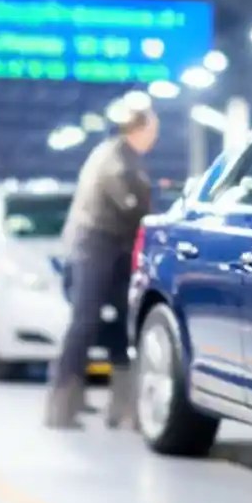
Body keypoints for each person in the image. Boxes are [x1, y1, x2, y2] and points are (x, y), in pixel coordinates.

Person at [44, 107, 158, 429]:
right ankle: (62, 405)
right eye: (153, 129)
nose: (155, 136)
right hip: (95, 246)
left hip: (113, 248)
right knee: (85, 321)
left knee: (123, 324)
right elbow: (131, 207)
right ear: (139, 129)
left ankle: (122, 407)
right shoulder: (116, 161)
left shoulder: (119, 155)